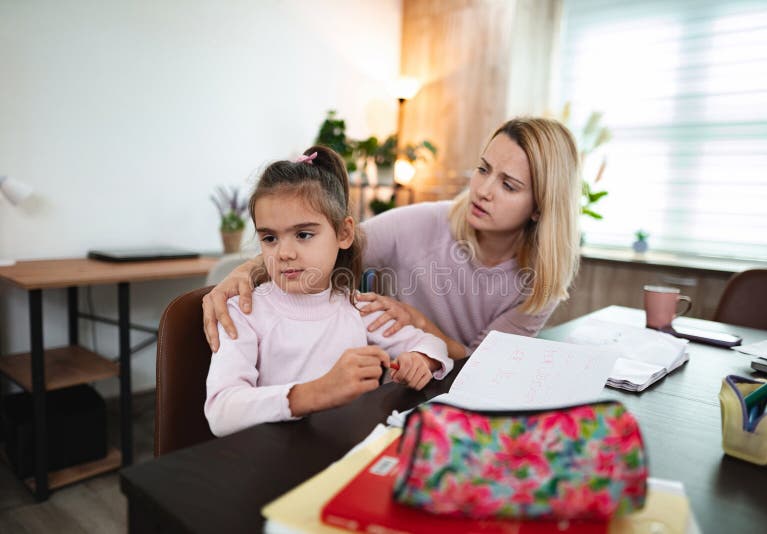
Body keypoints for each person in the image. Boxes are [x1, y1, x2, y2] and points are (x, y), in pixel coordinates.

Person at [203, 117, 580, 362]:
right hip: (392, 387)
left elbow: (483, 368)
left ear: (539, 207)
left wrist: (419, 322)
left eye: (508, 185)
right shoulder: (422, 223)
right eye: (483, 169)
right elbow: (327, 244)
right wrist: (247, 271)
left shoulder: (539, 284)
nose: (483, 190)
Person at [204, 146, 452, 437]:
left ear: (344, 234)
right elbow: (221, 411)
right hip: (272, 461)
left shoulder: (357, 306)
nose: (284, 252)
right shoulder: (244, 311)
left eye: (303, 234)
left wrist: (420, 360)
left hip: (343, 452)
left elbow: (434, 345)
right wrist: (315, 393)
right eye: (270, 238)